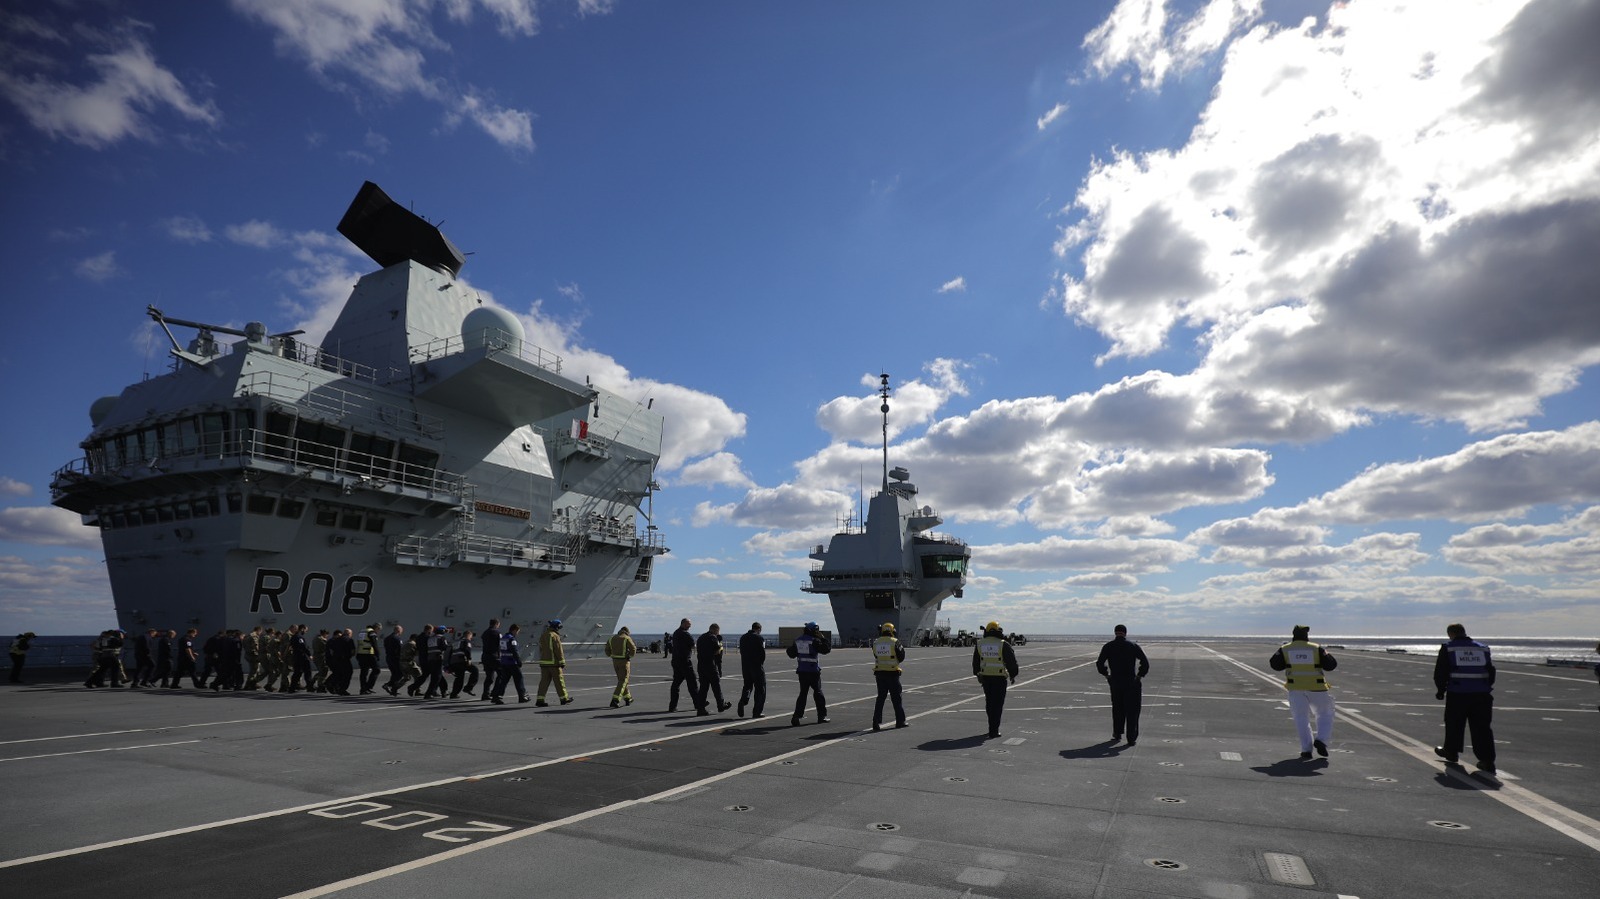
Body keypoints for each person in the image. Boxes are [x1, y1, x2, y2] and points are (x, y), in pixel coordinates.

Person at [1433, 623, 1496, 775]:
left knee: (1454, 724)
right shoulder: (1482, 648)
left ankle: (1451, 752)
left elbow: (1441, 671)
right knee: (1482, 728)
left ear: (1451, 634)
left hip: (1458, 693)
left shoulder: (1449, 648)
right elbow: (1491, 671)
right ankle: (1487, 760)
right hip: (1482, 695)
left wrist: (1440, 690)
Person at [1269, 624, 1338, 759]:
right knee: (1325, 714)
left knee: (1301, 718)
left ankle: (1306, 749)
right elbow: (1331, 665)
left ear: (1293, 635)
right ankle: (1321, 740)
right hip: (1317, 688)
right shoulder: (1316, 648)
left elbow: (1274, 665)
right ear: (1306, 636)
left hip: (1296, 689)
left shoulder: (1285, 649)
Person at [1096, 624, 1150, 746]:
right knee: (1133, 710)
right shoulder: (1132, 646)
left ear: (1115, 632)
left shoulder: (1108, 646)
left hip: (1115, 681)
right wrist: (1139, 676)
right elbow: (1145, 663)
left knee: (1117, 708)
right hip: (1130, 682)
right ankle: (1131, 737)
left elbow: (1100, 664)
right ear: (1125, 633)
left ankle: (1117, 732)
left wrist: (1107, 675)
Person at [972, 621, 1018, 739]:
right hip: (999, 679)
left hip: (985, 678)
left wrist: (978, 674)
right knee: (997, 705)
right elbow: (1011, 662)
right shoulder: (1003, 644)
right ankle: (994, 730)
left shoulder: (980, 644)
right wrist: (1013, 675)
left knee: (989, 703)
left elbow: (975, 663)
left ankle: (991, 726)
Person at [786, 621, 832, 726]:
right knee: (818, 693)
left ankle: (796, 716)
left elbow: (791, 653)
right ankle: (822, 716)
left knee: (803, 694)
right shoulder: (814, 641)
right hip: (813, 671)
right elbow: (826, 649)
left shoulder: (798, 640)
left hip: (802, 671)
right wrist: (823, 638)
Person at [870, 622, 908, 731]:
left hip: (880, 673)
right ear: (892, 631)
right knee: (896, 698)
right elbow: (901, 657)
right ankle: (900, 721)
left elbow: (875, 654)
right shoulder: (895, 642)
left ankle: (876, 722)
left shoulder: (876, 642)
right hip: (892, 673)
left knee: (880, 698)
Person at [668, 618, 705, 714]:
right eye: (688, 624)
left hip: (676, 660)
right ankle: (698, 704)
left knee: (676, 683)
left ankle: (672, 706)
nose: (690, 626)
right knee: (692, 683)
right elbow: (694, 646)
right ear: (683, 624)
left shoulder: (676, 633)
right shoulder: (685, 634)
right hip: (684, 661)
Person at [696, 623, 732, 715]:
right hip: (710, 665)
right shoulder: (713, 637)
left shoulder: (701, 638)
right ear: (715, 630)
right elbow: (717, 651)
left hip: (701, 665)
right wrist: (719, 646)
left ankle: (700, 709)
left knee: (703, 687)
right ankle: (721, 705)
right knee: (716, 686)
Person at [535, 619, 572, 706]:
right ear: (556, 627)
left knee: (544, 682)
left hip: (544, 663)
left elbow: (541, 649)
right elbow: (558, 650)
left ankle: (540, 700)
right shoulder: (555, 636)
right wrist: (562, 661)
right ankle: (564, 699)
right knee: (559, 681)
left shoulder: (543, 635)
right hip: (554, 663)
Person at [490, 623, 529, 704]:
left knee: (504, 680)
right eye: (517, 631)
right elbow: (514, 651)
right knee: (519, 679)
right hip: (512, 662)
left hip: (504, 662)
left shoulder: (503, 638)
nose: (517, 633)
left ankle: (497, 696)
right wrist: (518, 660)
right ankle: (522, 696)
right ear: (514, 630)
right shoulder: (512, 639)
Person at [737, 622, 766, 718]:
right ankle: (757, 711)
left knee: (747, 685)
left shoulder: (743, 637)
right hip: (756, 665)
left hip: (745, 665)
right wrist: (760, 663)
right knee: (760, 688)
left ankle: (743, 700)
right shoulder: (759, 638)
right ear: (759, 629)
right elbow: (762, 653)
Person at [606, 626, 636, 708]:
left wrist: (611, 655)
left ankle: (628, 698)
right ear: (627, 632)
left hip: (615, 661)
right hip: (624, 661)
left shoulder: (611, 638)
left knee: (621, 681)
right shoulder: (627, 638)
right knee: (623, 680)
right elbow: (633, 649)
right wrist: (629, 655)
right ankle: (615, 700)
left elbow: (607, 651)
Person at [449, 629, 480, 698]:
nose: (471, 638)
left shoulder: (456, 642)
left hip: (454, 661)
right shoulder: (466, 641)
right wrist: (469, 659)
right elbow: (467, 650)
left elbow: (449, 653)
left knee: (459, 678)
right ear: (468, 635)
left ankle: (454, 694)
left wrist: (449, 665)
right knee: (475, 671)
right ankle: (468, 688)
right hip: (462, 660)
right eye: (471, 636)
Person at [479, 619, 502, 703]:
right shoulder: (497, 633)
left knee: (489, 677)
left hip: (485, 657)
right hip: (495, 657)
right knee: (501, 674)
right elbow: (501, 644)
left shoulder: (485, 633)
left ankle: (485, 694)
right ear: (496, 624)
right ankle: (495, 694)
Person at [286, 624, 313, 693]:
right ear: (302, 629)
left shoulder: (293, 637)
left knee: (297, 673)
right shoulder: (299, 637)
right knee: (307, 672)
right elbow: (303, 647)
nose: (305, 632)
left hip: (296, 656)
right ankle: (310, 687)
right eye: (305, 630)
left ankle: (292, 688)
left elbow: (290, 647)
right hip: (302, 656)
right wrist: (309, 655)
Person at [382, 625, 407, 695]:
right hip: (396, 658)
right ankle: (388, 685)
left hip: (388, 657)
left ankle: (393, 689)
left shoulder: (387, 638)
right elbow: (400, 649)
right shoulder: (397, 639)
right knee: (400, 673)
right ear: (399, 631)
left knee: (394, 673)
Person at [356, 625, 381, 694]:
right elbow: (374, 644)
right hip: (369, 654)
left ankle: (363, 689)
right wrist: (377, 654)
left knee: (364, 672)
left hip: (360, 653)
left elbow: (360, 643)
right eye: (378, 630)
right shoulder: (371, 632)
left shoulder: (362, 632)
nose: (378, 631)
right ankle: (368, 686)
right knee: (377, 670)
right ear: (376, 628)